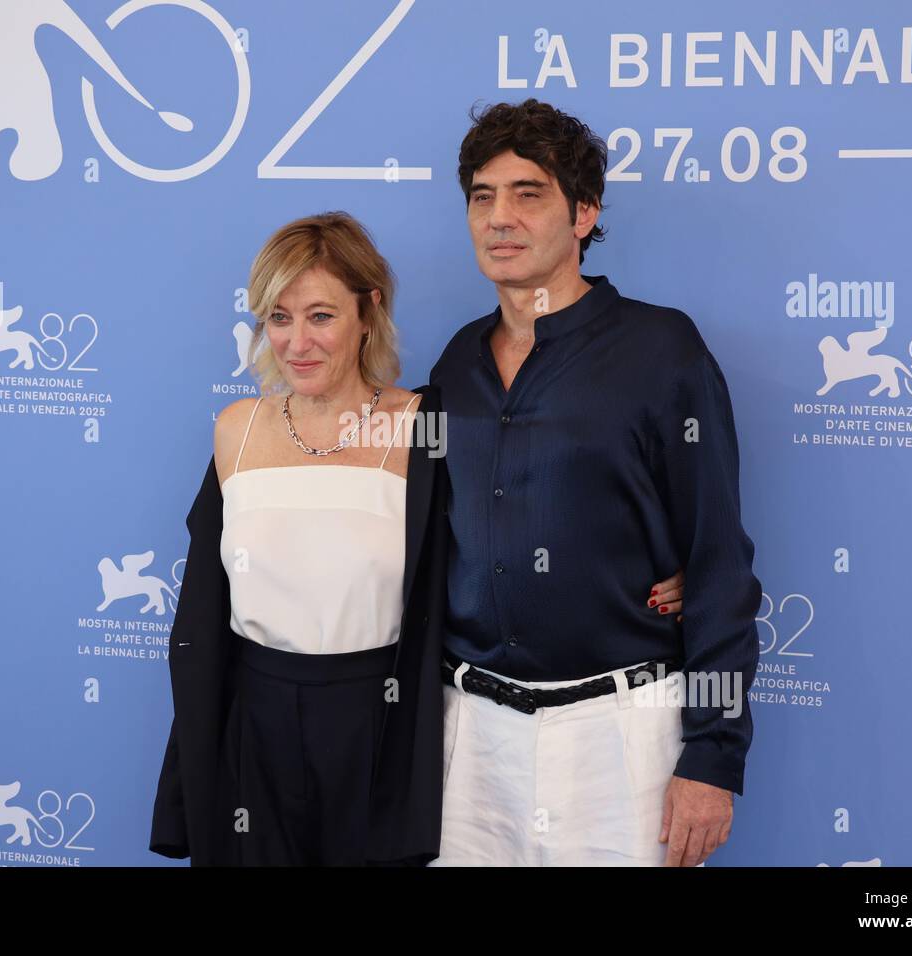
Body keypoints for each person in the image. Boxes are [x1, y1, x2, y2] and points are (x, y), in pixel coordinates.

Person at [428, 98, 762, 867]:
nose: (499, 217)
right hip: (470, 741)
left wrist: (712, 757)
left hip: (621, 741)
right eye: (482, 197)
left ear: (583, 214)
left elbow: (716, 563)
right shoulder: (456, 363)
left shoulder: (662, 350)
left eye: (527, 193)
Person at [148, 211, 448, 865]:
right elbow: (202, 609)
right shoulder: (237, 429)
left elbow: (506, 528)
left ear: (368, 313)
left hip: (380, 726)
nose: (296, 342)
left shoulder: (424, 426)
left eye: (320, 315)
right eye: (278, 317)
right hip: (254, 726)